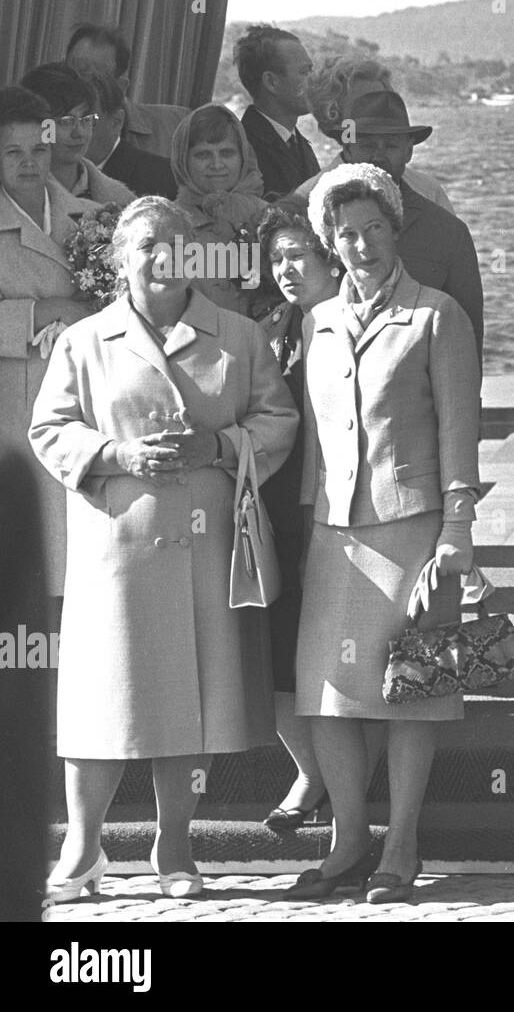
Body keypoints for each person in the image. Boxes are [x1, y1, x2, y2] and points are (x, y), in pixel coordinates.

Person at [29, 196, 298, 902]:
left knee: (188, 697)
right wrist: (114, 453)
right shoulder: (82, 341)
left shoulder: (237, 336)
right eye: (144, 244)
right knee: (100, 701)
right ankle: (82, 852)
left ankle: (173, 845)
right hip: (115, 547)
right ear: (121, 257)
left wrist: (219, 445)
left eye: (174, 244)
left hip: (203, 551)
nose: (160, 256)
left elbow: (278, 419)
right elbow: (49, 428)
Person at [290, 162, 480, 904]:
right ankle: (348, 838)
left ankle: (401, 843)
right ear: (329, 242)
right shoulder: (318, 320)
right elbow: (314, 435)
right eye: (346, 233)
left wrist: (456, 532)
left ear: (396, 229)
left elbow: (460, 431)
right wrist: (307, 523)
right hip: (333, 528)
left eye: (374, 229)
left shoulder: (438, 316)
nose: (362, 245)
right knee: (327, 692)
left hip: (413, 527)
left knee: (413, 692)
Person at [255, 200, 343, 829]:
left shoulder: (350, 322)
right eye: (276, 257)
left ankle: (344, 784)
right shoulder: (271, 327)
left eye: (298, 254)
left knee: (335, 655)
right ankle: (311, 772)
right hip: (280, 515)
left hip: (341, 514)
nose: (286, 268)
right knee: (278, 656)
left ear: (329, 257)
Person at [0, 86, 94, 607]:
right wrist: (43, 313)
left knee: (73, 557)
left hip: (83, 400)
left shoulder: (92, 216)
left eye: (38, 150)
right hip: (11, 405)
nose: (29, 163)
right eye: (13, 152)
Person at [334, 90, 483, 355]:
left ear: (408, 151)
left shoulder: (448, 233)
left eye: (390, 145)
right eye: (367, 145)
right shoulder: (318, 224)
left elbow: (467, 335)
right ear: (348, 149)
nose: (378, 156)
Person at [297, 56, 456, 214]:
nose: (378, 108)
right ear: (335, 117)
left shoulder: (428, 190)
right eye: (364, 104)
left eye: (385, 99)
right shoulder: (309, 199)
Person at [170, 104, 269, 316]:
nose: (216, 164)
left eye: (226, 152)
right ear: (183, 161)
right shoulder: (168, 225)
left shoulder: (268, 220)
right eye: (203, 155)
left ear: (243, 157)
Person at [65, 24, 189, 160]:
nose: (80, 85)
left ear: (121, 87)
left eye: (96, 78)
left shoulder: (175, 125)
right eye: (75, 72)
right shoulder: (46, 125)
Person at [19, 63, 135, 206]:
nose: (78, 133)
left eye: (86, 119)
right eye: (66, 121)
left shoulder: (121, 202)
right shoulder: (11, 194)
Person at [234, 25, 320, 199]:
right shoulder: (243, 151)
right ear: (271, 82)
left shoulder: (298, 144)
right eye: (305, 72)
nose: (315, 79)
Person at [84, 71, 177, 199]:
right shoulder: (53, 171)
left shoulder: (163, 178)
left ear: (117, 122)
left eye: (87, 120)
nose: (75, 131)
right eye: (65, 121)